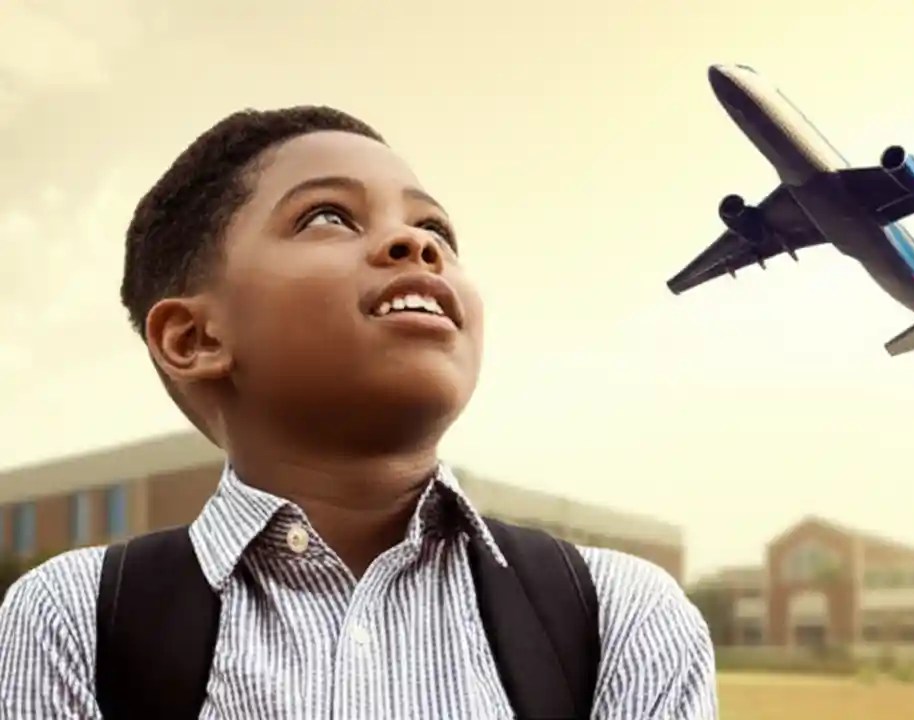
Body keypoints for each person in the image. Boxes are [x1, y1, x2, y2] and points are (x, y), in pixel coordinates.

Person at [0, 106, 717, 718]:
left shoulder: (621, 617)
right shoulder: (75, 622)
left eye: (436, 227)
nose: (419, 244)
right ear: (196, 338)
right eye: (328, 216)